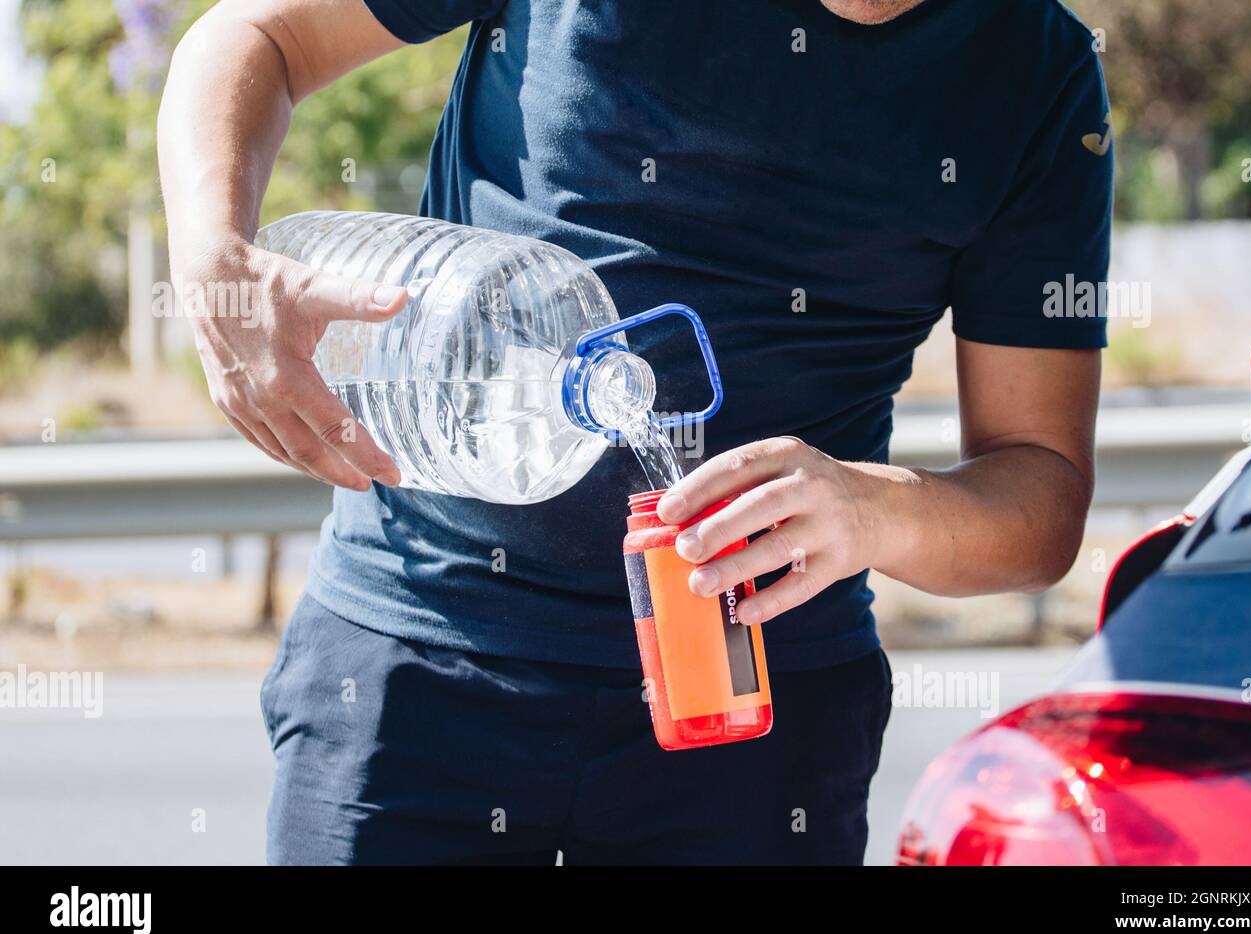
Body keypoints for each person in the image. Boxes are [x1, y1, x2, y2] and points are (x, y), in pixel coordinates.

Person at [158, 0, 1112, 864]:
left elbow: (1041, 493)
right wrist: (214, 259)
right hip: (420, 660)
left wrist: (875, 510)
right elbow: (255, 36)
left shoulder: (1036, 70)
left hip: (756, 715)